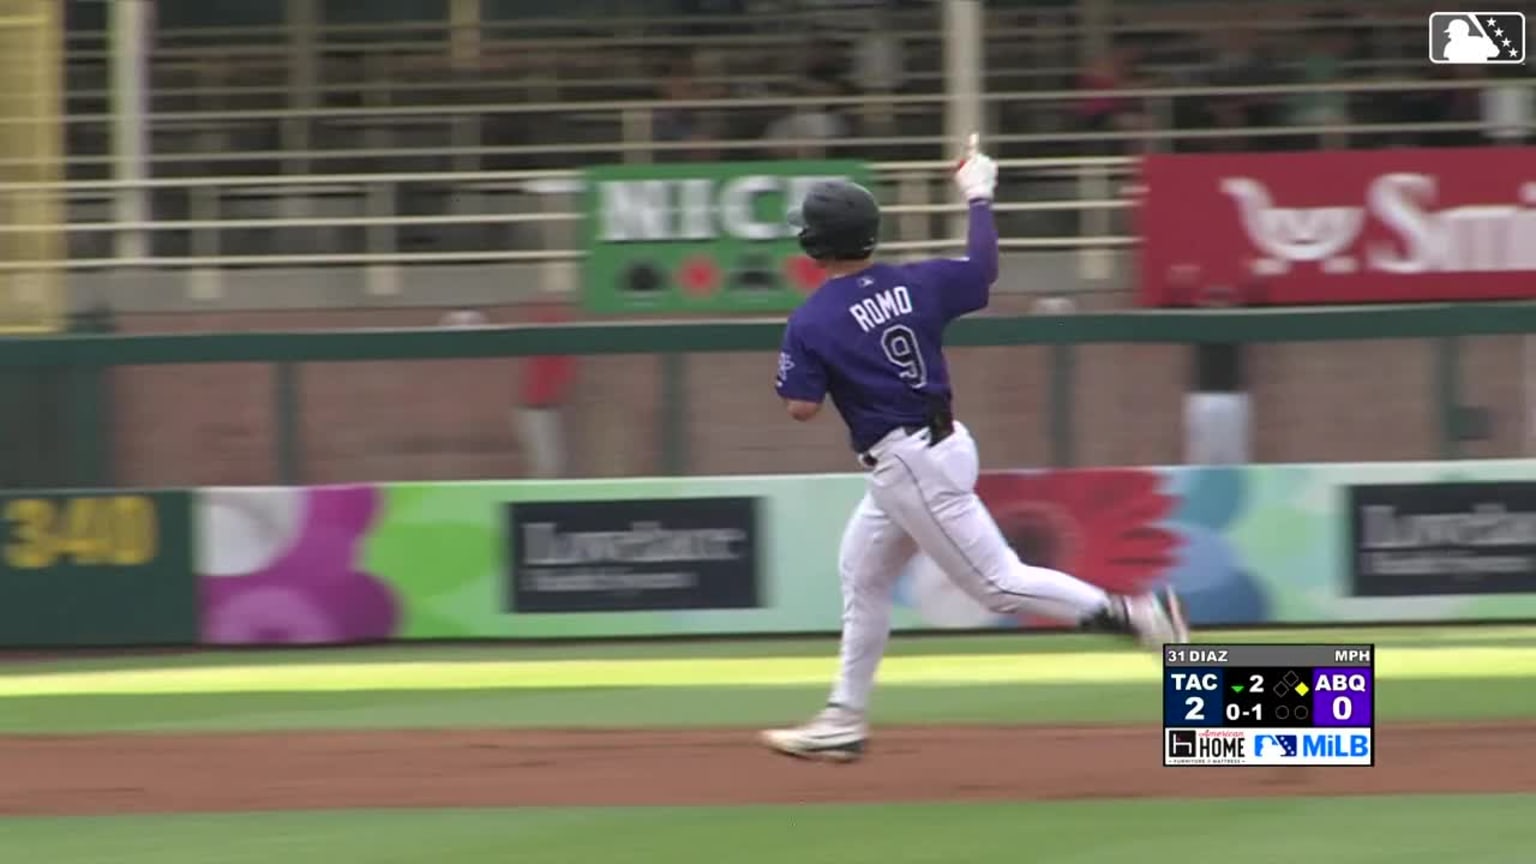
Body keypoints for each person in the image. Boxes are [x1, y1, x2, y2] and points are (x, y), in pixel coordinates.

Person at [758, 136, 1191, 763]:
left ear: (814, 244)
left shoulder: (813, 319)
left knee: (997, 585)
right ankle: (844, 719)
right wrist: (979, 194)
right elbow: (983, 268)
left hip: (908, 462)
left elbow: (800, 408)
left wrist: (813, 357)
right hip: (940, 445)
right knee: (863, 573)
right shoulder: (918, 282)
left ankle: (1135, 615)